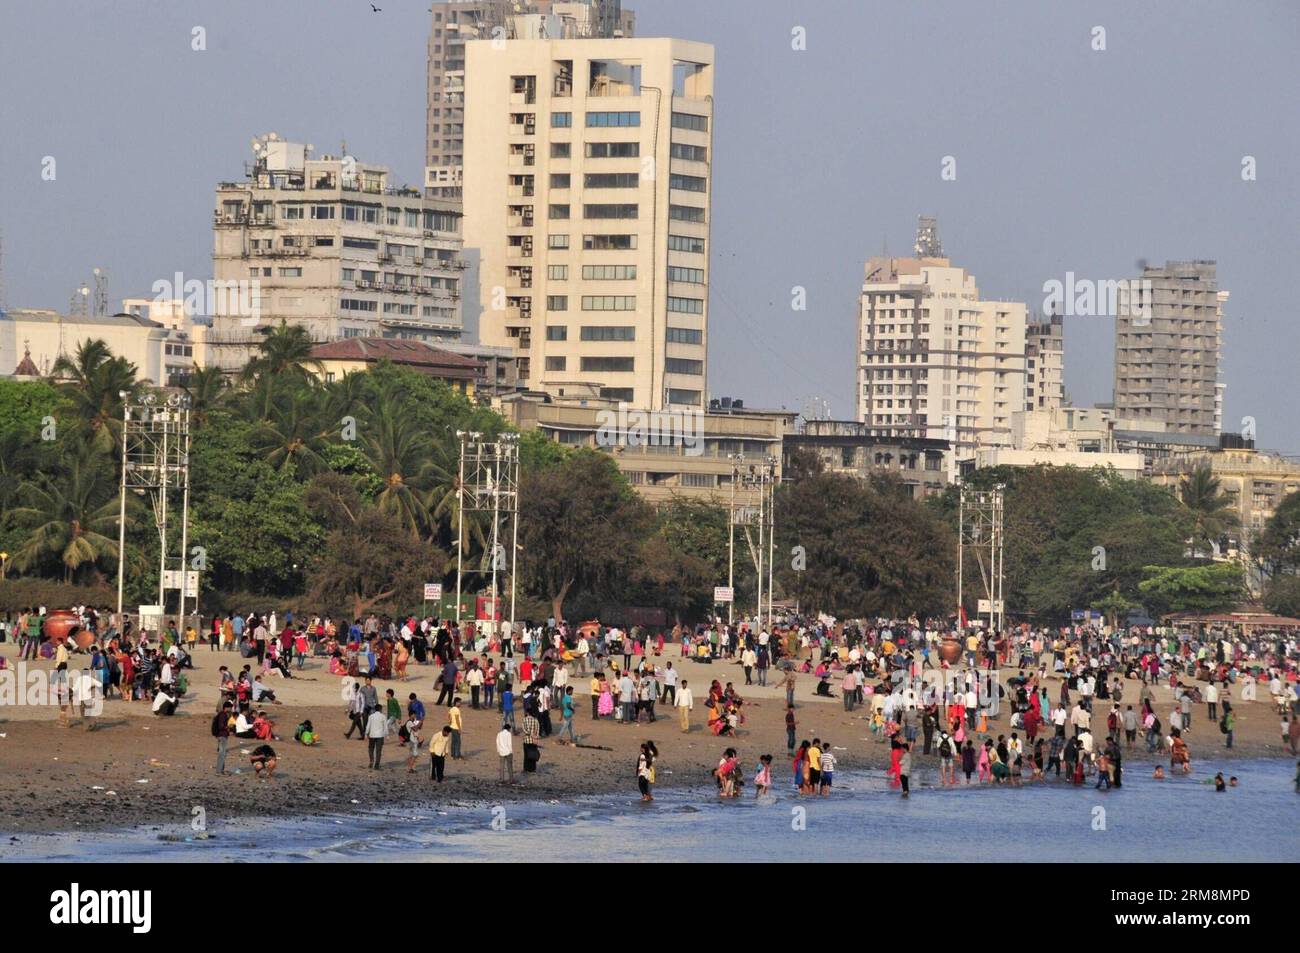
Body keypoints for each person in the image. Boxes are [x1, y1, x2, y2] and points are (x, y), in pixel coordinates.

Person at [212, 701, 233, 775]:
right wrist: (228, 728)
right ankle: (219, 771)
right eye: (230, 708)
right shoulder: (223, 715)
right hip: (222, 736)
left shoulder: (222, 714)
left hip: (221, 736)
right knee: (222, 753)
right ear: (226, 708)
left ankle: (221, 770)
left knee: (222, 753)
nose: (231, 709)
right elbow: (221, 726)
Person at [365, 704, 388, 769]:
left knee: (371, 748)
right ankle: (377, 765)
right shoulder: (383, 716)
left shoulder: (371, 716)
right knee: (378, 751)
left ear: (375, 709)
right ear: (380, 709)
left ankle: (371, 761)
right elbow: (385, 727)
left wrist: (366, 734)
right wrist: (387, 735)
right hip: (380, 735)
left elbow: (368, 726)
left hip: (372, 735)